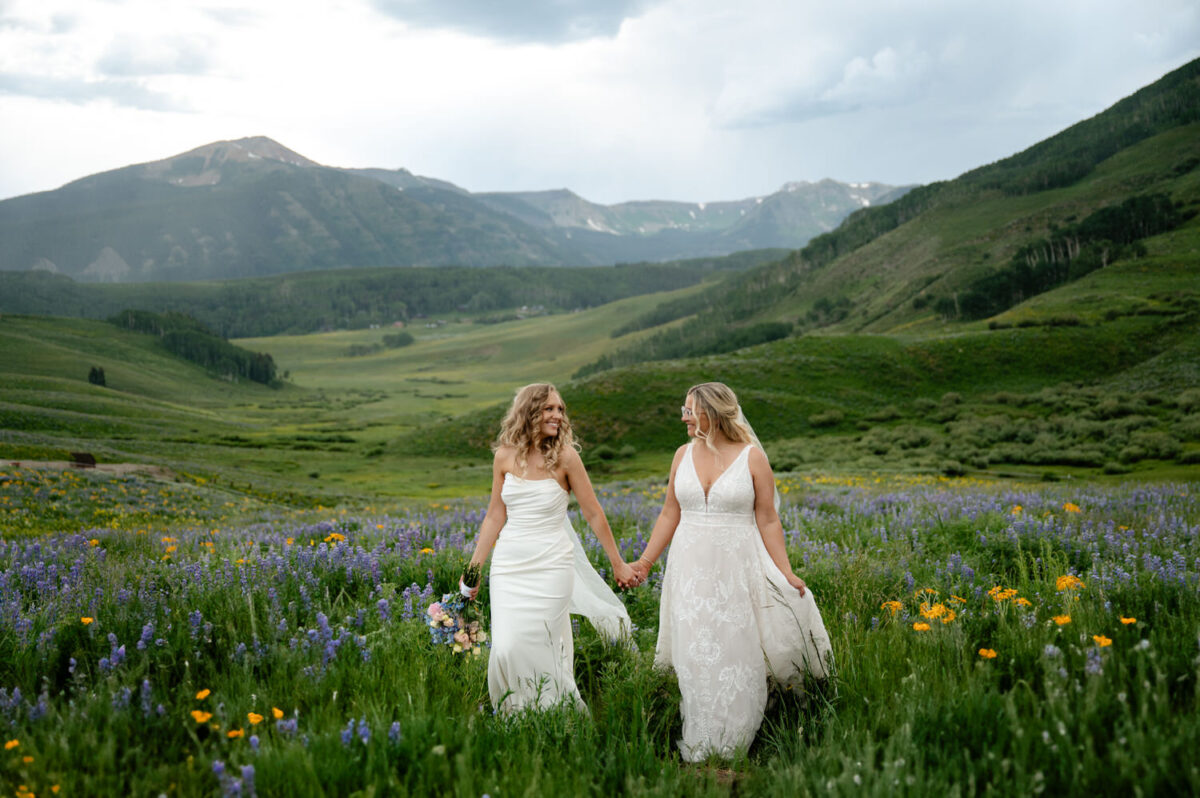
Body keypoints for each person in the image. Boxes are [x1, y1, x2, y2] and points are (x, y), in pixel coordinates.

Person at [629, 381, 832, 761]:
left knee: (735, 649)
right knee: (695, 649)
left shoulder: (751, 457)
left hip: (736, 568)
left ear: (713, 412)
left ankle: (735, 739)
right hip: (689, 569)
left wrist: (785, 572)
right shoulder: (680, 456)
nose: (684, 416)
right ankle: (701, 736)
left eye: (690, 409)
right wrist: (644, 562)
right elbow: (670, 513)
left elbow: (769, 520)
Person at [463, 383, 635, 714]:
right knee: (506, 648)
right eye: (549, 409)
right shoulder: (504, 456)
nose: (557, 415)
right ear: (529, 412)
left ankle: (557, 718)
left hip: (552, 565)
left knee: (543, 644)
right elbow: (495, 515)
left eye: (560, 410)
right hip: (509, 566)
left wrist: (618, 563)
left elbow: (594, 513)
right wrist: (473, 569)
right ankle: (516, 715)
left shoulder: (566, 458)